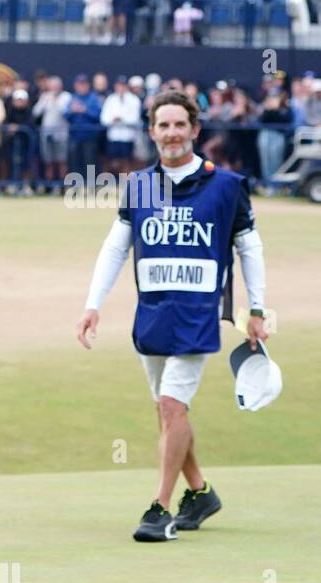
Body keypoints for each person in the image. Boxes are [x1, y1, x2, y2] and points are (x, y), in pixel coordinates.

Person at [75, 91, 269, 542]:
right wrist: (92, 304)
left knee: (171, 406)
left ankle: (159, 508)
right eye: (163, 125)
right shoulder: (138, 186)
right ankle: (200, 492)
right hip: (153, 316)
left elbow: (250, 248)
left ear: (195, 129)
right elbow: (115, 248)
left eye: (180, 124)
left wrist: (257, 308)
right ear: (152, 132)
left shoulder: (227, 185)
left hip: (198, 316)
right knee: (167, 414)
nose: (172, 133)